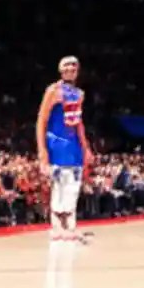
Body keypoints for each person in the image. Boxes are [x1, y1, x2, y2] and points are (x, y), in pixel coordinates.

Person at [36, 56, 94, 243]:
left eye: (74, 65)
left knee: (73, 185)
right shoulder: (53, 91)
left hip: (73, 144)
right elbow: (41, 120)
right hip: (57, 143)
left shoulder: (79, 93)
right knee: (59, 184)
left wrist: (86, 147)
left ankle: (70, 225)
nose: (70, 68)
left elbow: (78, 123)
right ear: (60, 69)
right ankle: (56, 225)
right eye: (66, 65)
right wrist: (42, 150)